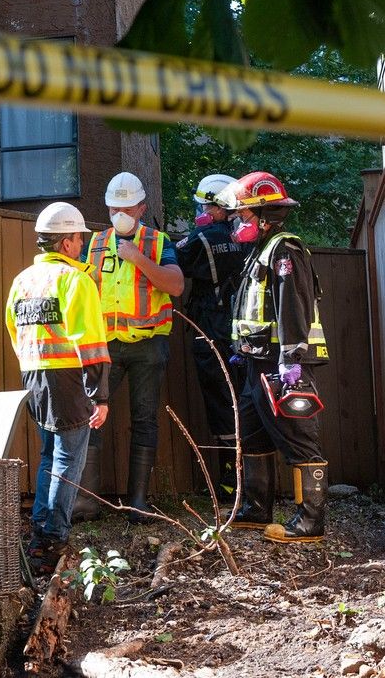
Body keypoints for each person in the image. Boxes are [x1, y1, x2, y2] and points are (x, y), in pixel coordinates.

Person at [215, 171, 330, 543]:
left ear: (263, 215)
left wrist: (292, 360)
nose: (236, 222)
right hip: (255, 362)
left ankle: (311, 521)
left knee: (297, 436)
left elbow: (292, 307)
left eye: (241, 215)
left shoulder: (286, 249)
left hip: (282, 365)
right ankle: (256, 508)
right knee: (252, 435)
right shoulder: (261, 251)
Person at [5, 202, 110, 572]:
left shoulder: (23, 281)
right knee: (68, 459)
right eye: (79, 238)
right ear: (66, 243)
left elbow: (15, 332)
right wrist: (100, 394)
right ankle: (51, 541)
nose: (81, 243)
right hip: (68, 378)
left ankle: (40, 535)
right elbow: (91, 342)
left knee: (51, 455)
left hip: (34, 376)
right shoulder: (75, 280)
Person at [74, 172, 184, 523]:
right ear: (107, 207)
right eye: (114, 207)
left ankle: (138, 501)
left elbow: (176, 286)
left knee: (145, 420)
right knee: (91, 417)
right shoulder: (93, 244)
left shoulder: (157, 241)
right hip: (104, 347)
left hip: (148, 346)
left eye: (127, 207)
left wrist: (138, 258)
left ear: (141, 208)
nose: (120, 213)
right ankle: (87, 500)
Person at [175, 174, 247, 498]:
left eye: (205, 205)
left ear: (219, 206)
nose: (200, 211)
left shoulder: (203, 237)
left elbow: (179, 260)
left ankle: (229, 486)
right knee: (242, 404)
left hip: (211, 331)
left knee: (219, 407)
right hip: (243, 334)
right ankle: (247, 483)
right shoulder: (246, 237)